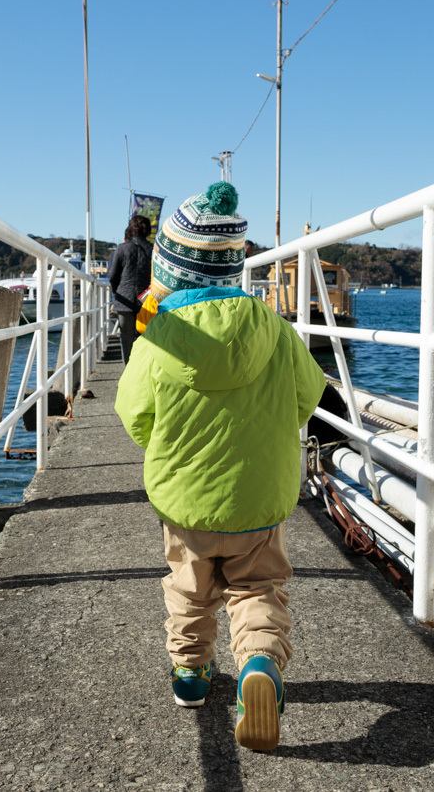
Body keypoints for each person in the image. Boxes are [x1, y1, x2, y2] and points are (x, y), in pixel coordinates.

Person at [114, 181, 325, 752]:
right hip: (259, 500)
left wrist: (167, 447)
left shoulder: (161, 339)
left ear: (172, 267)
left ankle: (191, 676)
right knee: (258, 589)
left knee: (189, 590)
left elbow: (133, 413)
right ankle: (258, 663)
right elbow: (309, 394)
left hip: (185, 503)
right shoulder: (277, 332)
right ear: (236, 269)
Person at [106, 214, 153, 364]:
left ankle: (128, 372)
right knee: (147, 337)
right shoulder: (153, 250)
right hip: (146, 300)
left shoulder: (122, 248)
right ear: (147, 230)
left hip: (124, 299)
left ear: (131, 229)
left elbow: (112, 275)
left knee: (126, 339)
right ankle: (144, 369)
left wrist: (116, 292)